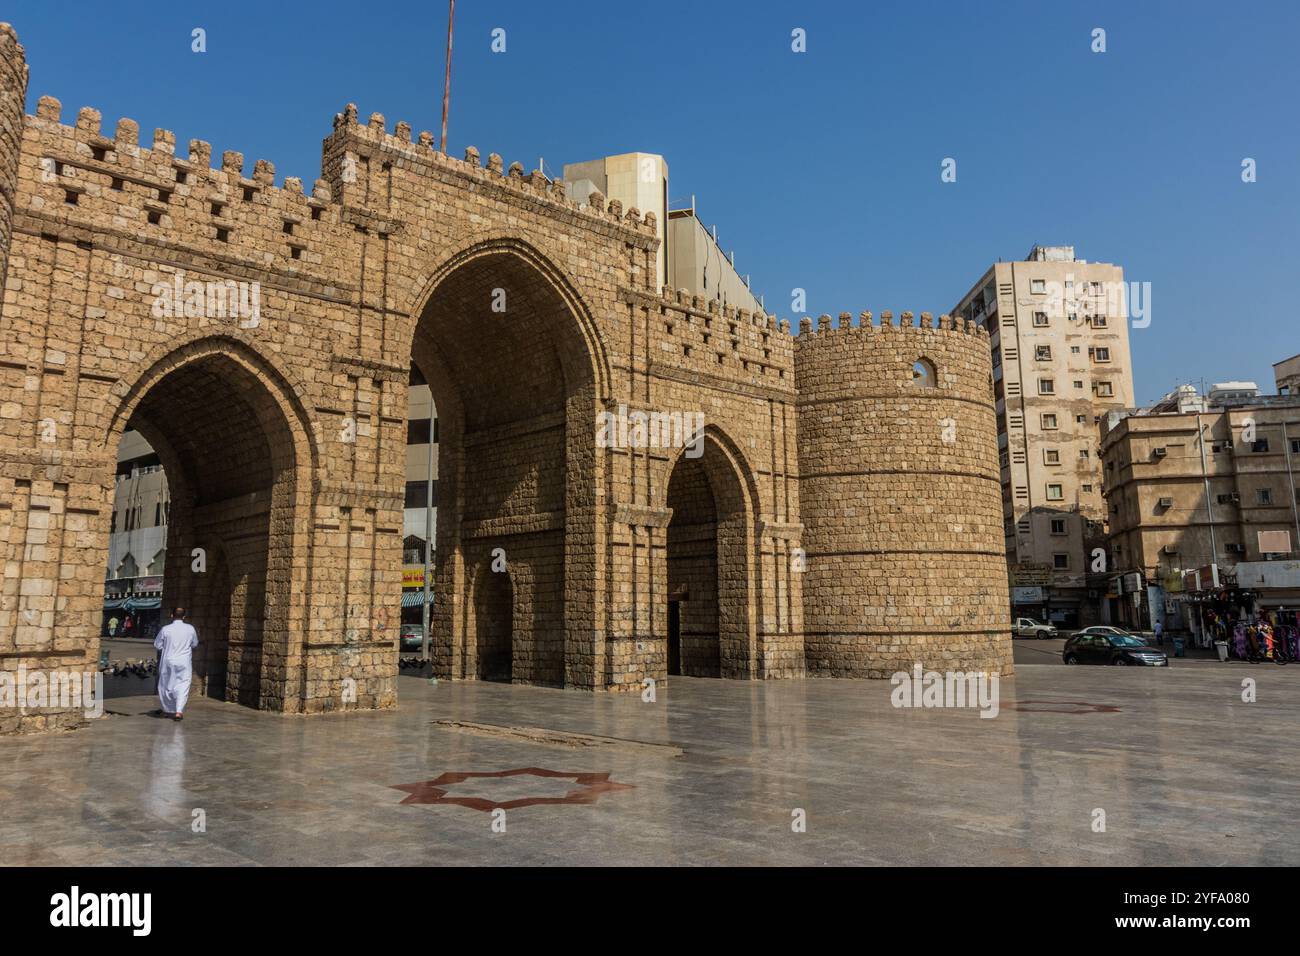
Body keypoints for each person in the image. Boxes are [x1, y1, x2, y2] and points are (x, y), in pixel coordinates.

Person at [153, 607, 198, 721]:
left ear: (171, 615)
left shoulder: (165, 629)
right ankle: (178, 711)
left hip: (168, 660)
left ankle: (167, 709)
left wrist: (167, 647)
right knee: (183, 685)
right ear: (184, 617)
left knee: (166, 684)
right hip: (184, 662)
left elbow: (157, 645)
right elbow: (194, 644)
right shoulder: (190, 629)